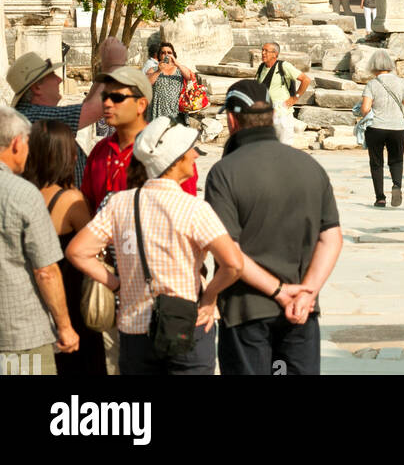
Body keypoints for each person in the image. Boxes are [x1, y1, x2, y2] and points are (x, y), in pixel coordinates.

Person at [67, 116, 245, 376]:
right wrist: (209, 298)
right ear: (176, 160)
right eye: (189, 150)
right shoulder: (193, 208)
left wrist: (117, 283)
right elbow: (234, 264)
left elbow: (77, 251)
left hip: (134, 326)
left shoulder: (119, 203)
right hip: (187, 322)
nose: (195, 155)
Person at [204, 80, 344, 376]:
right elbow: (331, 238)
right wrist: (307, 293)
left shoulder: (225, 172)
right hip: (302, 312)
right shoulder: (310, 166)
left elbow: (228, 251)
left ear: (231, 119)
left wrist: (280, 292)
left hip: (247, 310)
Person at [23, 119, 107, 376]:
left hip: (35, 302)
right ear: (66, 155)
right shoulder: (70, 200)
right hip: (71, 299)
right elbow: (95, 245)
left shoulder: (24, 194)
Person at [0, 106, 79, 375]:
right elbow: (45, 271)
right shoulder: (22, 193)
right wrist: (65, 326)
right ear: (16, 143)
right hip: (20, 333)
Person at [8, 38, 127, 185]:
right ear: (37, 88)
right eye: (52, 76)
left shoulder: (31, 114)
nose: (59, 80)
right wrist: (116, 65)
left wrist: (107, 69)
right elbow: (98, 108)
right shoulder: (35, 117)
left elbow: (88, 105)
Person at [81, 64, 197, 208]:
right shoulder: (100, 150)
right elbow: (88, 204)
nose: (107, 103)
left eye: (117, 97)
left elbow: (186, 212)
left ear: (141, 105)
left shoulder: (169, 150)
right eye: (104, 96)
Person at [359, 52, 404, 208]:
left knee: (376, 162)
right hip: (397, 127)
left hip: (376, 127)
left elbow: (365, 109)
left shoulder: (372, 84)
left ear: (373, 66)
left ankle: (380, 198)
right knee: (396, 159)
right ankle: (396, 185)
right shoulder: (401, 83)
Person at [255, 43, 311, 144]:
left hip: (282, 114)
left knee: (285, 147)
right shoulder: (261, 68)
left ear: (275, 54)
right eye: (262, 50)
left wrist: (295, 98)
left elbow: (306, 80)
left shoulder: (284, 66)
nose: (263, 53)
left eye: (266, 51)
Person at [148, 42, 193, 122]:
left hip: (177, 113)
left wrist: (176, 63)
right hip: (159, 114)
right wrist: (159, 71)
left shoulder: (179, 69)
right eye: (163, 53)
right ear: (159, 55)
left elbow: (190, 76)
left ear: (174, 55)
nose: (166, 55)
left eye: (169, 52)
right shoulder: (153, 70)